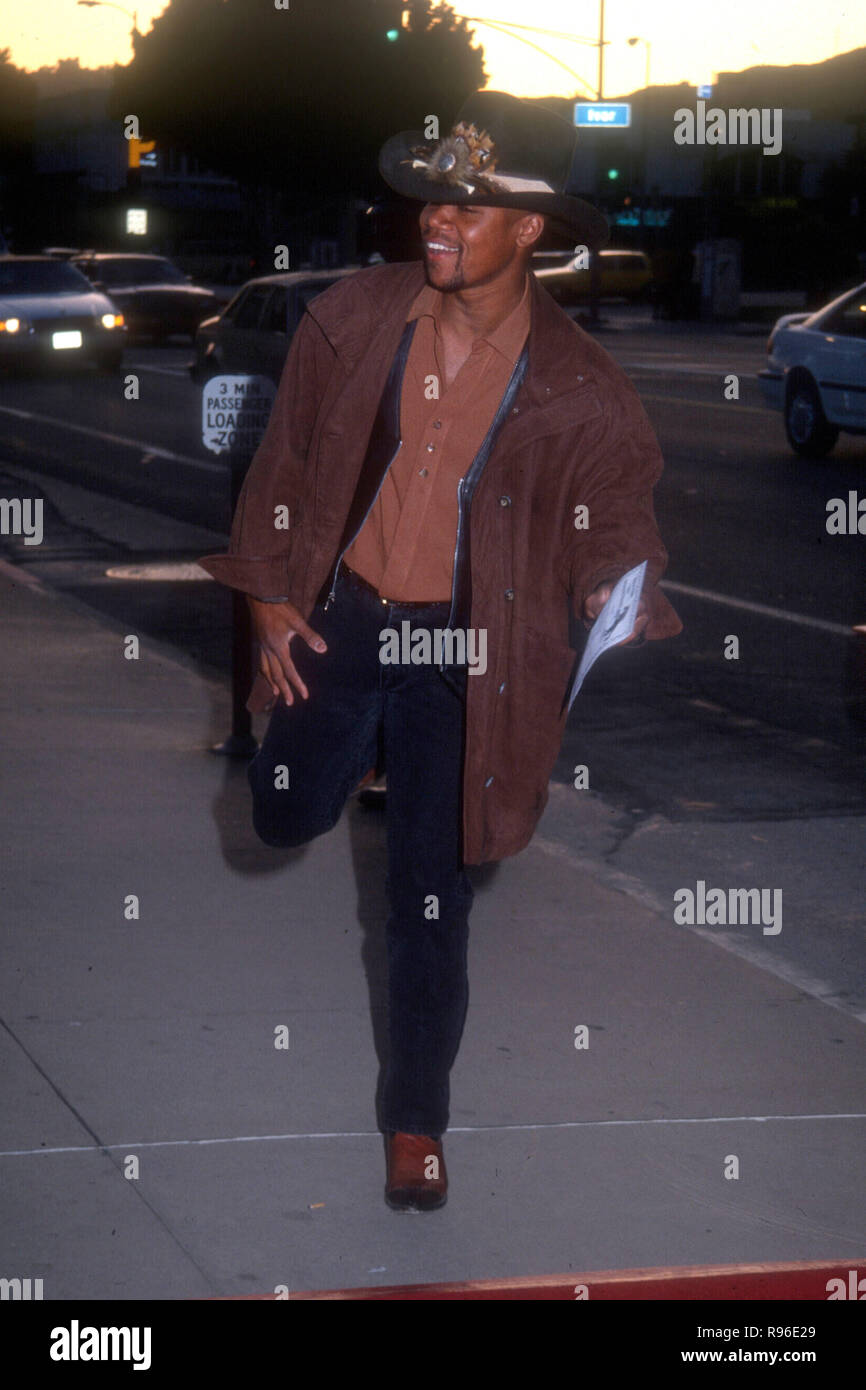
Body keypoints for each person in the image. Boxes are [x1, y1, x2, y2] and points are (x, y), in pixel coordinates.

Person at [199, 90, 681, 1212]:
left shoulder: (578, 387)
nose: (437, 220)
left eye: (469, 207)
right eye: (433, 198)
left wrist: (616, 573)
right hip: (345, 613)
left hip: (469, 654)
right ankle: (342, 749)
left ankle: (415, 1120)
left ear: (528, 232)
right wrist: (269, 601)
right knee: (279, 812)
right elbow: (281, 470)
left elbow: (618, 508)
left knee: (427, 894)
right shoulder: (354, 320)